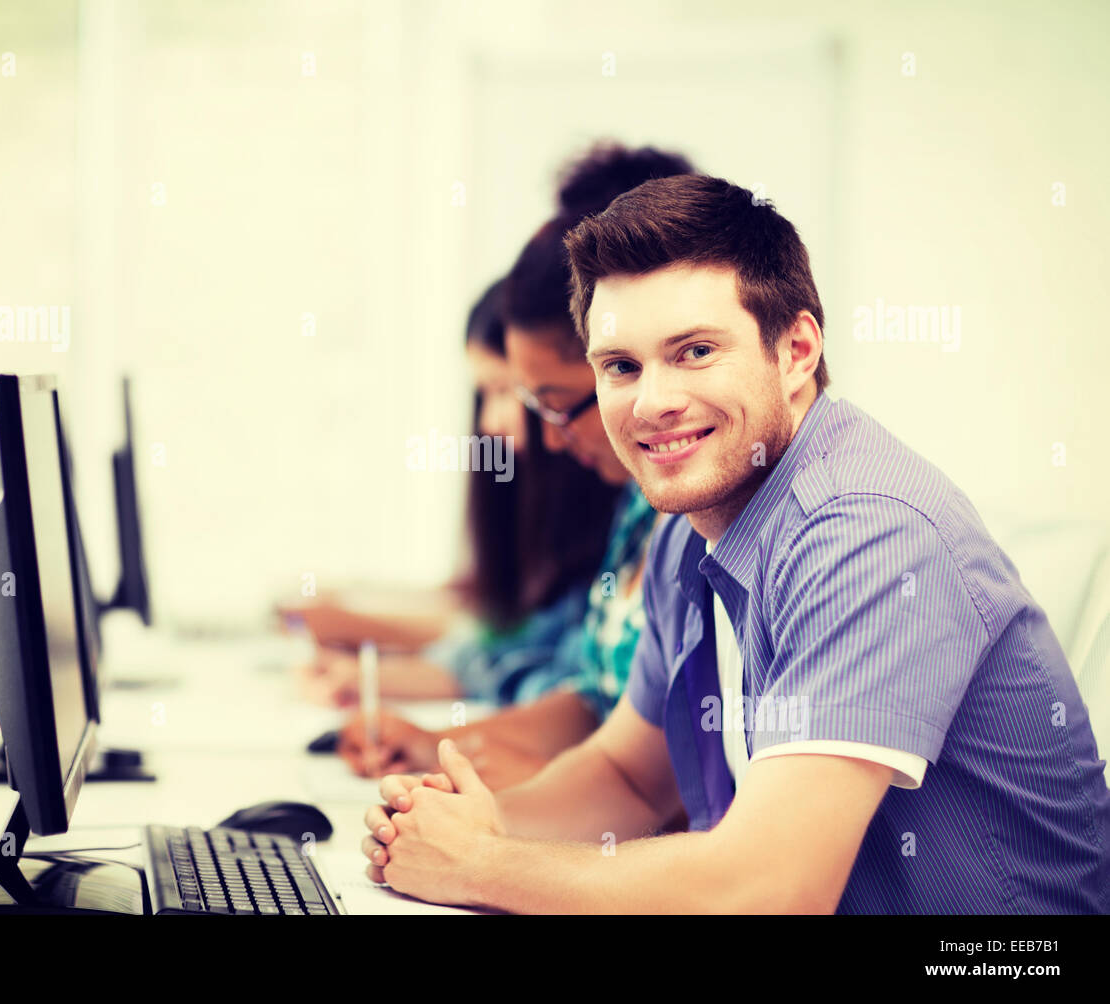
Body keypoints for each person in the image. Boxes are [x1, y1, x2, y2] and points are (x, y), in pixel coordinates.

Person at [359, 174, 1110, 913]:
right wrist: (470, 826)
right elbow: (626, 775)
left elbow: (773, 889)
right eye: (621, 366)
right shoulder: (690, 529)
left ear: (796, 352)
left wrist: (484, 867)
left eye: (693, 352)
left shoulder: (869, 533)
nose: (652, 402)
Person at [338, 144, 696, 788]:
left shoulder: (727, 513)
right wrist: (446, 749)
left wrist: (502, 798)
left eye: (542, 402)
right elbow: (599, 710)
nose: (532, 435)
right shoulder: (643, 504)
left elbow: (677, 793)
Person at [292, 276, 620, 709]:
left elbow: (557, 677)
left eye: (504, 391)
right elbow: (499, 627)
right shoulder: (565, 512)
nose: (489, 423)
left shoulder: (617, 508)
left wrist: (370, 657)